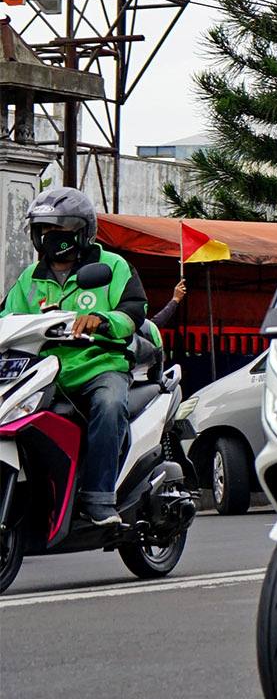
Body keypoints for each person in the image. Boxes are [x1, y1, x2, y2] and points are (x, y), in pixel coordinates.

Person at [3, 187, 149, 526]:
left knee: (110, 405)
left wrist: (102, 320)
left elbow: (134, 311)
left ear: (82, 232)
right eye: (45, 231)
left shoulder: (111, 267)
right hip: (42, 370)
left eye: (60, 231)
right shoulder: (29, 278)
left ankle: (99, 498)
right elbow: (6, 318)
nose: (51, 238)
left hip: (99, 365)